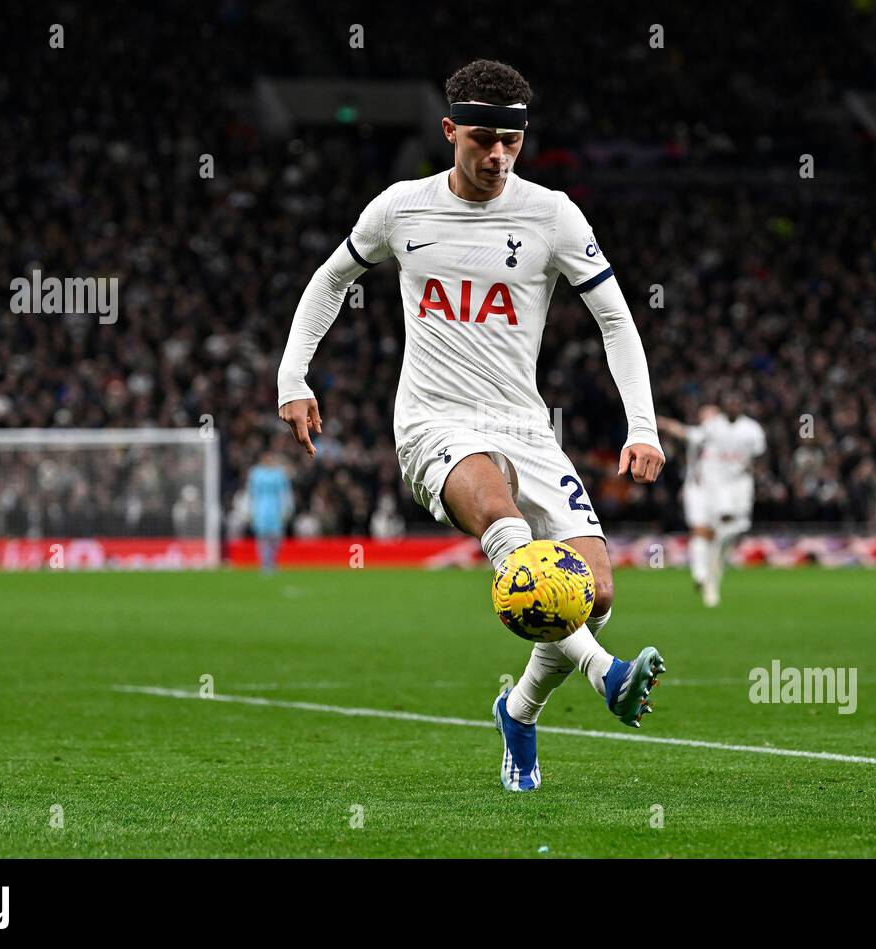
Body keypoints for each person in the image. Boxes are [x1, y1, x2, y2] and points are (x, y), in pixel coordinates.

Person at [277, 59, 666, 792]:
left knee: (598, 593)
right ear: (449, 130)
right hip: (434, 422)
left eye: (512, 143)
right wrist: (292, 376)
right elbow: (332, 277)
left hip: (523, 421)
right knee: (498, 511)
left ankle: (518, 712)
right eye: (483, 138)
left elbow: (614, 317)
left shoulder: (553, 215)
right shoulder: (401, 209)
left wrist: (640, 426)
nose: (497, 155)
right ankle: (605, 673)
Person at [658, 394, 766, 606]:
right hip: (708, 488)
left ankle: (711, 568)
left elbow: (760, 455)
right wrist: (658, 423)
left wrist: (755, 473)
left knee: (733, 529)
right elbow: (685, 433)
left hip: (737, 488)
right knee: (702, 530)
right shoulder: (711, 429)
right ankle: (702, 575)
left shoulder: (751, 429)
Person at [247, 453, 293, 573]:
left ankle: (273, 560)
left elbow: (285, 493)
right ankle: (264, 562)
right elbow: (251, 493)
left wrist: (287, 508)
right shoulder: (256, 474)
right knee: (262, 537)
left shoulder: (279, 474)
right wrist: (250, 509)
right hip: (260, 507)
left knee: (276, 537)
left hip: (276, 507)